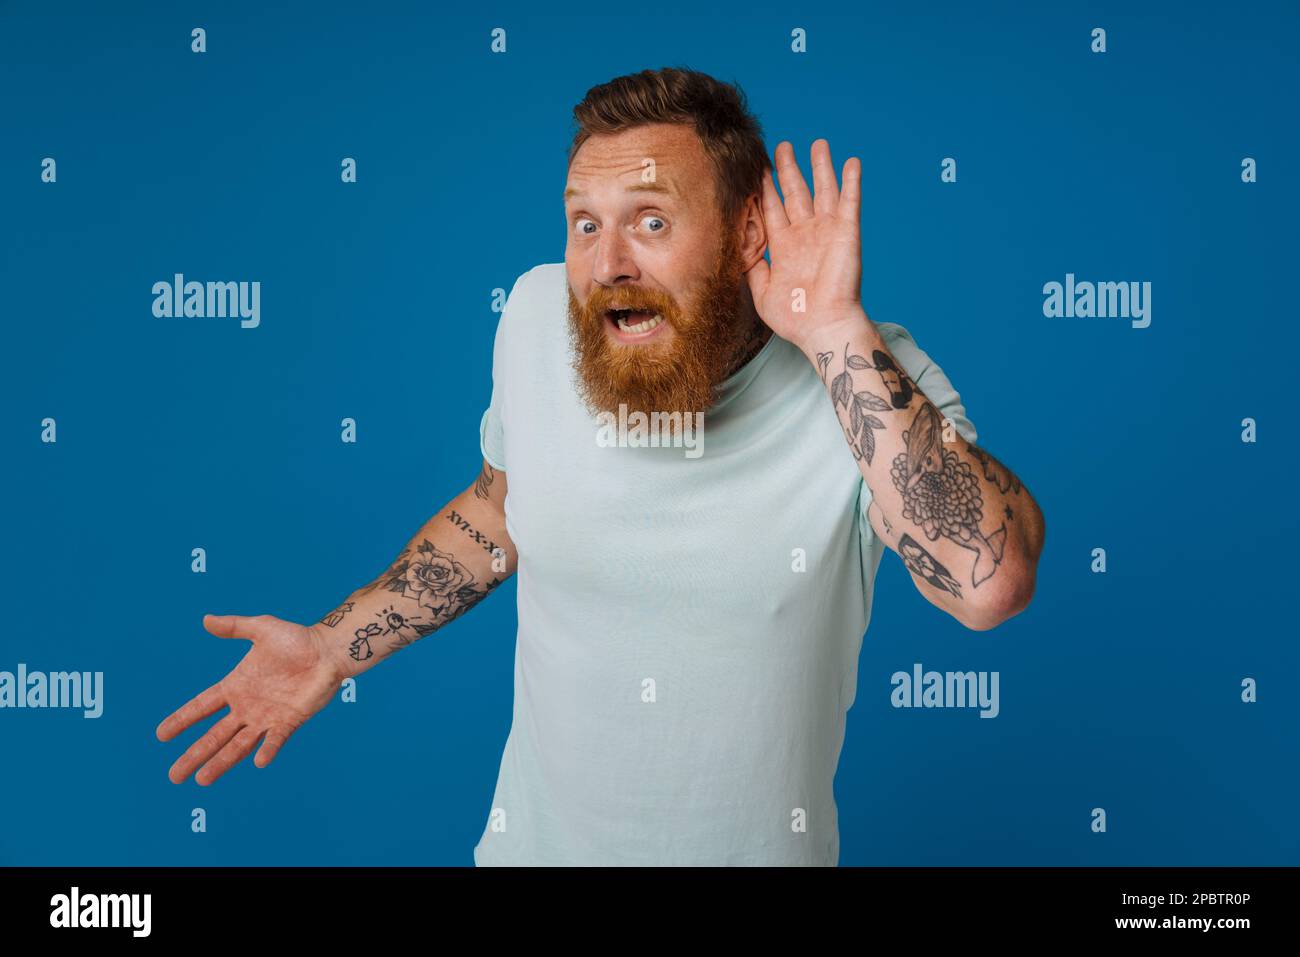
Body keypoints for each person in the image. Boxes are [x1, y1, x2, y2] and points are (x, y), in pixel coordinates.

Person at [156, 67, 1045, 866]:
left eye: (651, 222)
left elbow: (988, 583)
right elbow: (505, 509)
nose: (609, 263)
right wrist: (330, 645)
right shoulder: (538, 315)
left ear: (746, 236)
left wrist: (835, 333)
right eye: (587, 223)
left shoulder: (860, 375)